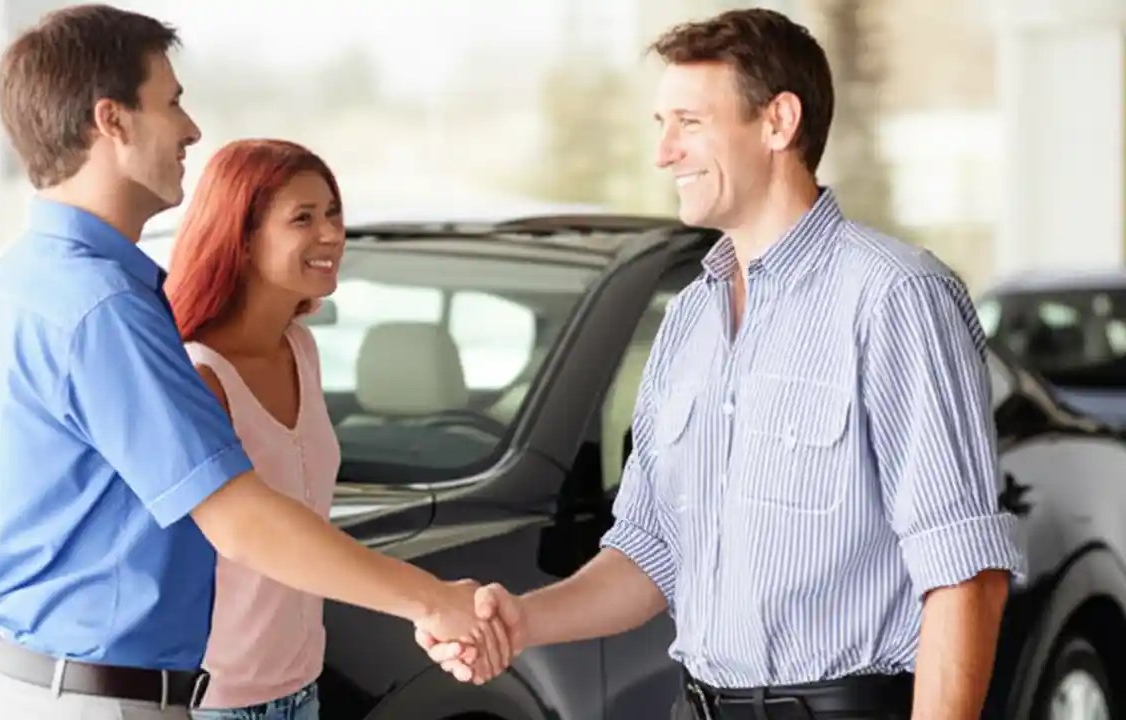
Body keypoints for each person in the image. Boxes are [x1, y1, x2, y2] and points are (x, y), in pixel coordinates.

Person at [420, 8, 1026, 720]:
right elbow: (650, 552)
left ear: (778, 122)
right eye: (660, 124)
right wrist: (525, 620)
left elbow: (964, 572)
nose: (664, 152)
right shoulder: (688, 320)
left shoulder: (895, 297)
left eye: (689, 122)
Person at [0, 7, 505, 720]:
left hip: (36, 683)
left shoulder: (26, 276)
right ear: (112, 121)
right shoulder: (102, 305)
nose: (191, 129)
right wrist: (432, 600)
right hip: (91, 698)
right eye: (172, 101)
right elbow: (239, 519)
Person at [161, 139, 342, 720]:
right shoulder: (199, 374)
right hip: (216, 700)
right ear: (241, 237)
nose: (333, 234)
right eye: (304, 219)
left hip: (300, 685)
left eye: (334, 213)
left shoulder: (301, 348)